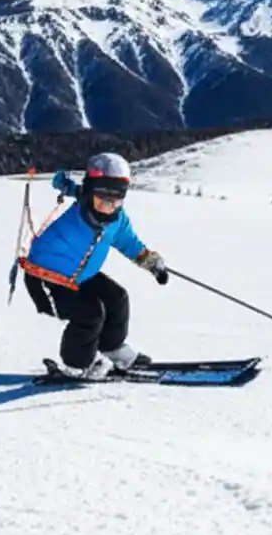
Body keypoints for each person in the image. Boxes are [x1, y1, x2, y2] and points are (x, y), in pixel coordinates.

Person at [20, 152, 168, 380]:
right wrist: (35, 275)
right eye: (101, 200)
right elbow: (40, 250)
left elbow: (129, 243)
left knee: (117, 297)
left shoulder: (117, 221)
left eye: (114, 202)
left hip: (80, 275)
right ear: (90, 194)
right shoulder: (79, 213)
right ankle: (76, 365)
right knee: (90, 314)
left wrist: (151, 263)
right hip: (49, 279)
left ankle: (113, 347)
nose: (106, 207)